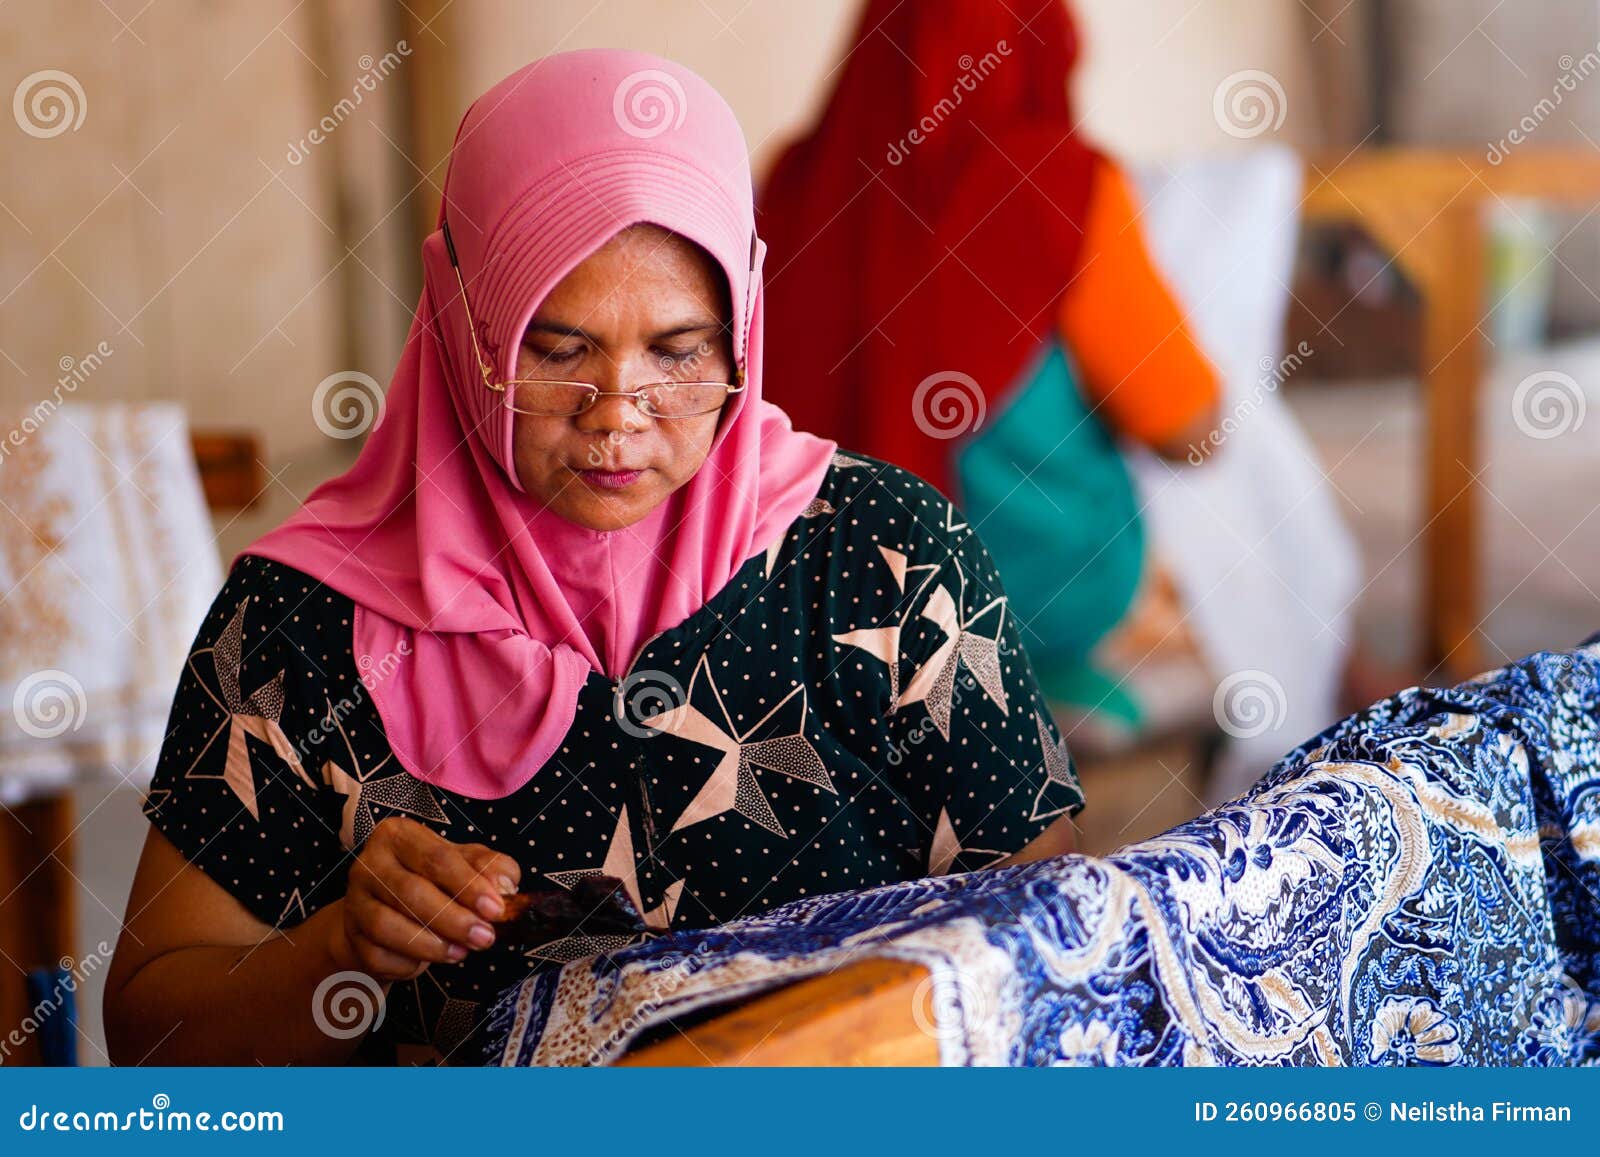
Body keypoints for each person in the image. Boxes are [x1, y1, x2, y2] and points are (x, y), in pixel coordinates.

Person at [103, 49, 1084, 1067]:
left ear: (743, 328)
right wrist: (334, 954)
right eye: (556, 349)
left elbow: (1045, 939)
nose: (617, 415)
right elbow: (147, 1030)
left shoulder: (883, 559)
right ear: (460, 317)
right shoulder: (299, 622)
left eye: (677, 351)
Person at [760, 0, 1223, 728]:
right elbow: (1190, 433)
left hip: (812, 615)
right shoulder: (1066, 190)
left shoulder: (788, 186)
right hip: (1026, 615)